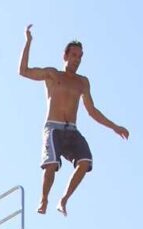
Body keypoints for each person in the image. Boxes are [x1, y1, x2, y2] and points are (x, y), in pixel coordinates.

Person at [18, 24, 130, 215]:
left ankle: (63, 200)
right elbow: (24, 71)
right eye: (73, 55)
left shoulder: (82, 82)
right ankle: (44, 199)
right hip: (53, 129)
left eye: (79, 57)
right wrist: (28, 42)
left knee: (85, 161)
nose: (76, 60)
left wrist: (114, 126)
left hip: (72, 131)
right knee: (51, 165)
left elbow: (92, 110)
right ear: (65, 56)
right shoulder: (53, 74)